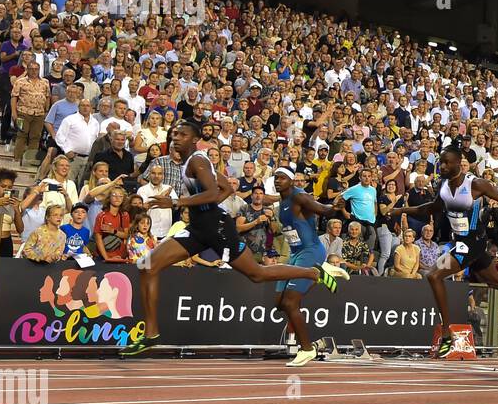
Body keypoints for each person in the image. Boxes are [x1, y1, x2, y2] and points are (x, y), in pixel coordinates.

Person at [123, 120, 348, 356]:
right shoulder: (195, 161)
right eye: (174, 133)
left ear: (194, 139)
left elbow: (213, 192)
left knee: (257, 274)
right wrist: (203, 210)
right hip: (199, 228)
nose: (175, 137)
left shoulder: (198, 161)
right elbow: (227, 189)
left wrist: (177, 202)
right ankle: (151, 334)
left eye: (182, 134)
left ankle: (313, 273)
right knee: (147, 265)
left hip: (217, 229)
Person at [389, 142, 498, 358]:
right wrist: (401, 210)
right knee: (496, 281)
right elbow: (430, 208)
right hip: (461, 242)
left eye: (447, 163)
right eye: (441, 163)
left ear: (459, 164)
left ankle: (447, 333)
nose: (442, 166)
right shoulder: (443, 186)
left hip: (473, 242)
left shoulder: (475, 184)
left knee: (433, 275)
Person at [271, 167, 348, 367]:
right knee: (279, 304)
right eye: (275, 178)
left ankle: (306, 349)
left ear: (291, 180)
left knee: (290, 303)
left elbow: (323, 209)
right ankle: (320, 273)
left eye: (281, 178)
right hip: (295, 254)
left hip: (311, 251)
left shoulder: (299, 196)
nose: (277, 181)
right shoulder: (282, 200)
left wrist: (334, 206)